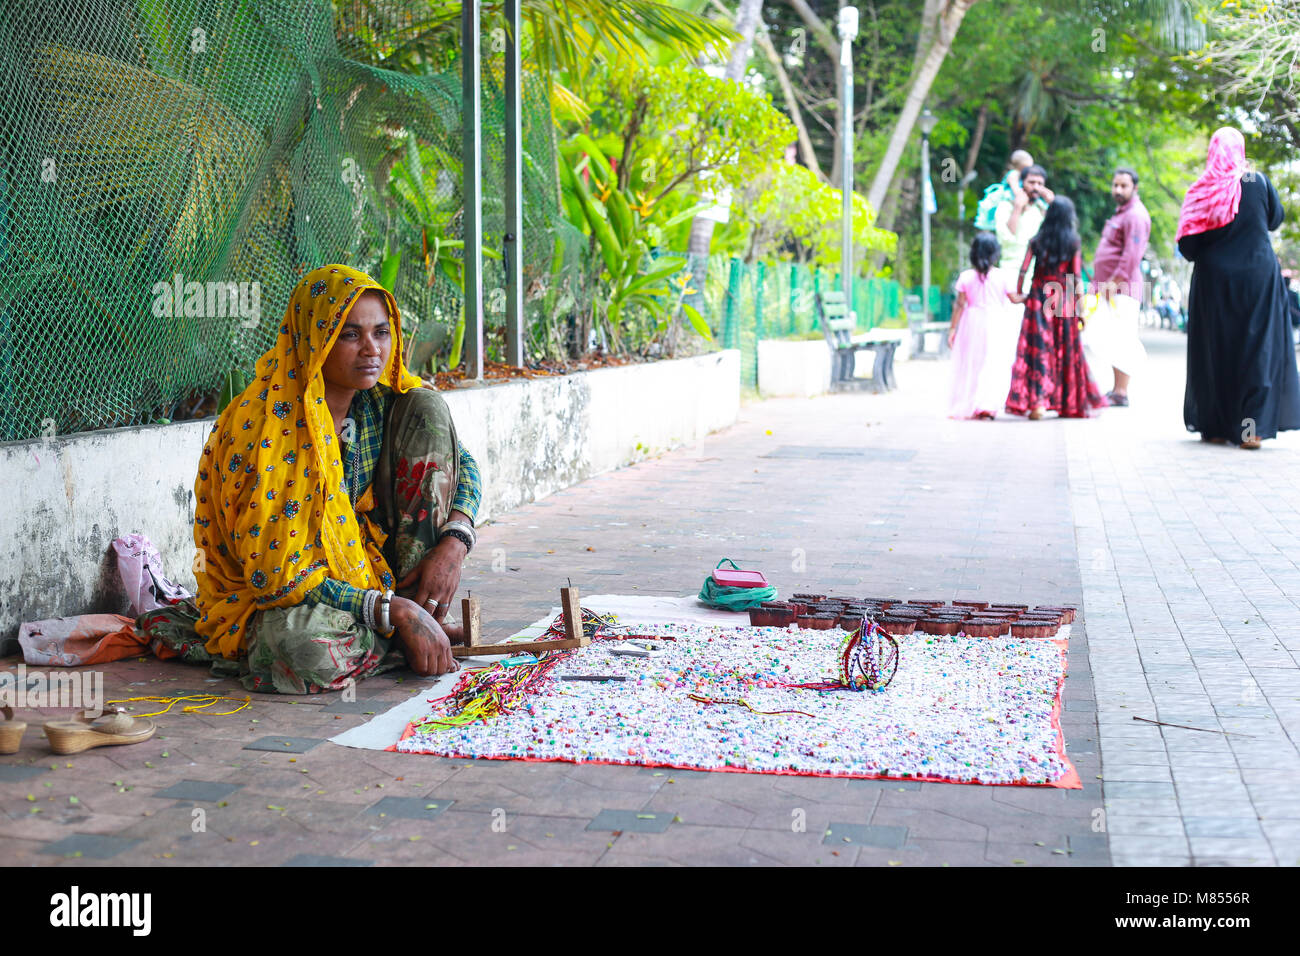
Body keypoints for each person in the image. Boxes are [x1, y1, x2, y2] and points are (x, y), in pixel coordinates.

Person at [136, 265, 482, 692]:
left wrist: (454, 542)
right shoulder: (263, 428)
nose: (371, 349)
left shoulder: (382, 401)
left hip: (374, 576)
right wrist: (397, 615)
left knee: (429, 407)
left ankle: (415, 616)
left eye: (382, 332)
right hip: (284, 598)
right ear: (313, 339)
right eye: (350, 334)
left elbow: (461, 465)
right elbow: (278, 580)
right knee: (300, 648)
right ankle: (407, 630)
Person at [1178, 127, 1300, 448]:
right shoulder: (1255, 181)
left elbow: (1188, 247)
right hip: (1258, 279)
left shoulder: (1202, 188)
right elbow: (1275, 219)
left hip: (1214, 283)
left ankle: (1216, 428)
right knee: (1257, 349)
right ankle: (1252, 431)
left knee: (1215, 350)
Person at [1005, 197, 1108, 419]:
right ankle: (1066, 403)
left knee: (1038, 348)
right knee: (1066, 349)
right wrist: (1081, 311)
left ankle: (1037, 402)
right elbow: (1076, 278)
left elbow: (1024, 269)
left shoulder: (1036, 241)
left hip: (1038, 297)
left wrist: (1021, 293)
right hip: (1063, 299)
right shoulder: (1072, 242)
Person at [1083, 167, 1151, 406]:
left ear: (1135, 188)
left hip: (1121, 290)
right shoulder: (1120, 214)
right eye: (1116, 185)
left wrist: (1114, 283)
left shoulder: (1135, 215)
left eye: (1124, 186)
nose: (1118, 190)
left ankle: (1121, 392)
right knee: (1111, 338)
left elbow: (1132, 255)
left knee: (1122, 338)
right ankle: (1116, 390)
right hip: (1108, 289)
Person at [947, 233, 1021, 419]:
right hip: (996, 322)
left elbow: (959, 305)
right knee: (993, 363)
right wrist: (1032, 296)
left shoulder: (966, 277)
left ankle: (969, 403)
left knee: (971, 363)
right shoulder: (1002, 276)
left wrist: (953, 329)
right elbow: (1014, 298)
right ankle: (988, 404)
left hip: (971, 323)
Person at [995, 164, 1056, 293]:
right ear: (1022, 183)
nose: (1036, 187)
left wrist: (1054, 205)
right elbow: (1006, 239)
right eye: (1031, 182)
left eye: (1040, 184)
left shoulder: (1040, 210)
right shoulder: (1005, 207)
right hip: (1011, 274)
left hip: (1038, 276)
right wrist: (1017, 208)